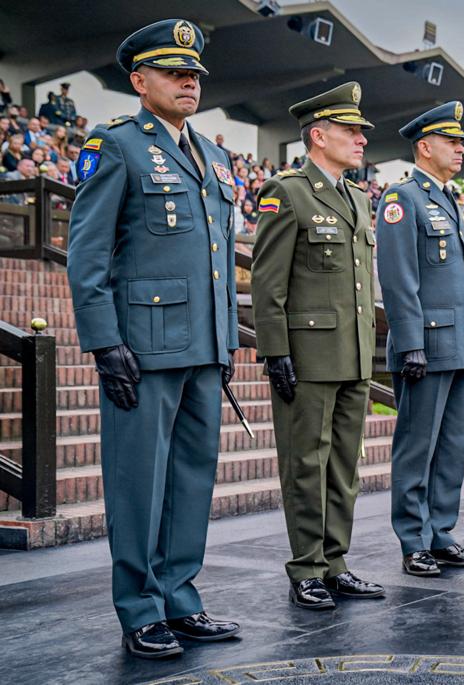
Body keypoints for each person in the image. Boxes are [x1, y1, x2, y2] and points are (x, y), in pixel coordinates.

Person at [66, 18, 240, 659]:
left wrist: (225, 341)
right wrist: (103, 343)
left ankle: (179, 598)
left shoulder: (214, 156)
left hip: (202, 345)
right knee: (140, 483)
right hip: (141, 346)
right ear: (139, 81)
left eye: (194, 73)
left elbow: (217, 256)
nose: (188, 82)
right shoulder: (116, 146)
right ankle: (139, 608)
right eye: (174, 72)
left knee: (192, 480)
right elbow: (86, 256)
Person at [251, 82, 384, 610]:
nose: (360, 140)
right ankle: (306, 566)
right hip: (307, 356)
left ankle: (335, 562)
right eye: (350, 131)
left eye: (361, 132)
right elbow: (268, 279)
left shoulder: (356, 196)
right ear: (318, 134)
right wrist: (274, 350)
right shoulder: (287, 190)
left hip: (352, 353)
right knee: (306, 463)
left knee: (344, 467)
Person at [376, 101, 464, 576]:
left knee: (452, 445)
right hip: (426, 344)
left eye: (461, 142)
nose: (460, 149)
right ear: (425, 146)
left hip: (459, 343)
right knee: (417, 446)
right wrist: (410, 341)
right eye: (451, 141)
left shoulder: (447, 199)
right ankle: (413, 539)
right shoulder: (403, 198)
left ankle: (441, 532)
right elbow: (399, 279)